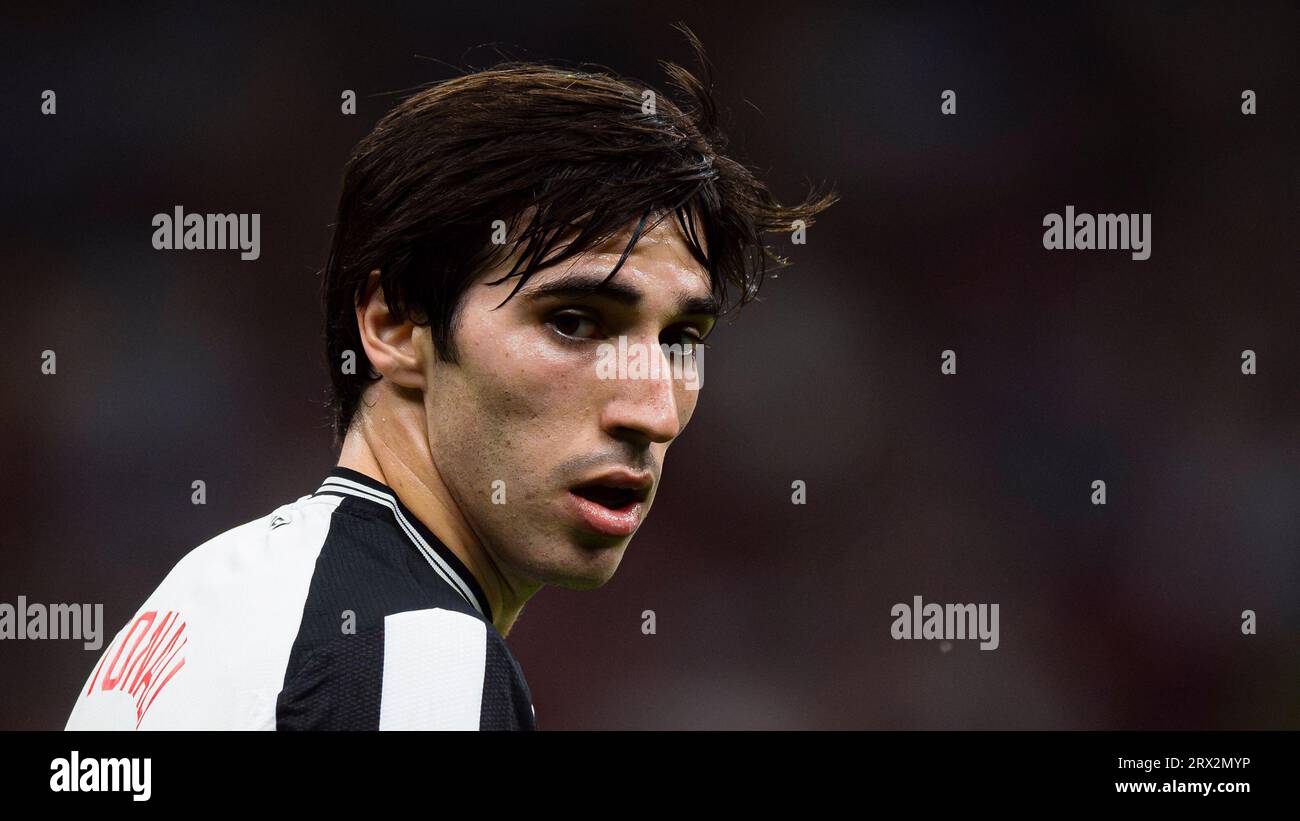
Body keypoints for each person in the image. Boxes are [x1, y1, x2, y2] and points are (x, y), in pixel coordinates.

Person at [65, 29, 835, 730]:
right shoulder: (418, 656)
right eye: (573, 321)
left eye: (680, 338)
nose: (653, 408)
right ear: (396, 326)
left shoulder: (199, 602)